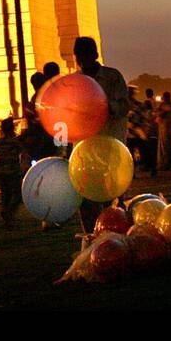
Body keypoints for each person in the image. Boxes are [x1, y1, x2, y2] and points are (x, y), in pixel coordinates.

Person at [72, 36, 129, 231]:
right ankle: (92, 241)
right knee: (86, 204)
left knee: (112, 204)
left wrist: (102, 107)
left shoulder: (113, 78)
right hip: (84, 152)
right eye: (80, 56)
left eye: (86, 55)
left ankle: (115, 241)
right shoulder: (74, 83)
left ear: (95, 55)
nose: (83, 60)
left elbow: (123, 107)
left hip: (110, 150)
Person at [156, 91, 171, 170]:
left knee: (166, 146)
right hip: (168, 128)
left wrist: (162, 110)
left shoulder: (167, 106)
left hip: (166, 128)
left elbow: (160, 114)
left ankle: (168, 163)